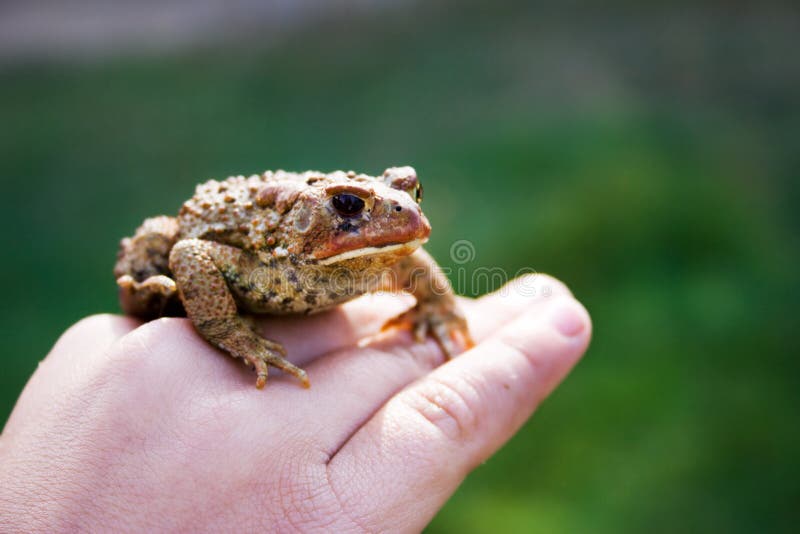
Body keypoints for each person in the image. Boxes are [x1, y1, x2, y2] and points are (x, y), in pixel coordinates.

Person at [0, 274, 590, 532]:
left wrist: (434, 304)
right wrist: (232, 332)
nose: (404, 212)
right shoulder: (270, 253)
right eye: (352, 208)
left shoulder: (384, 251)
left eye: (410, 195)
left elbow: (405, 256)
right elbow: (198, 256)